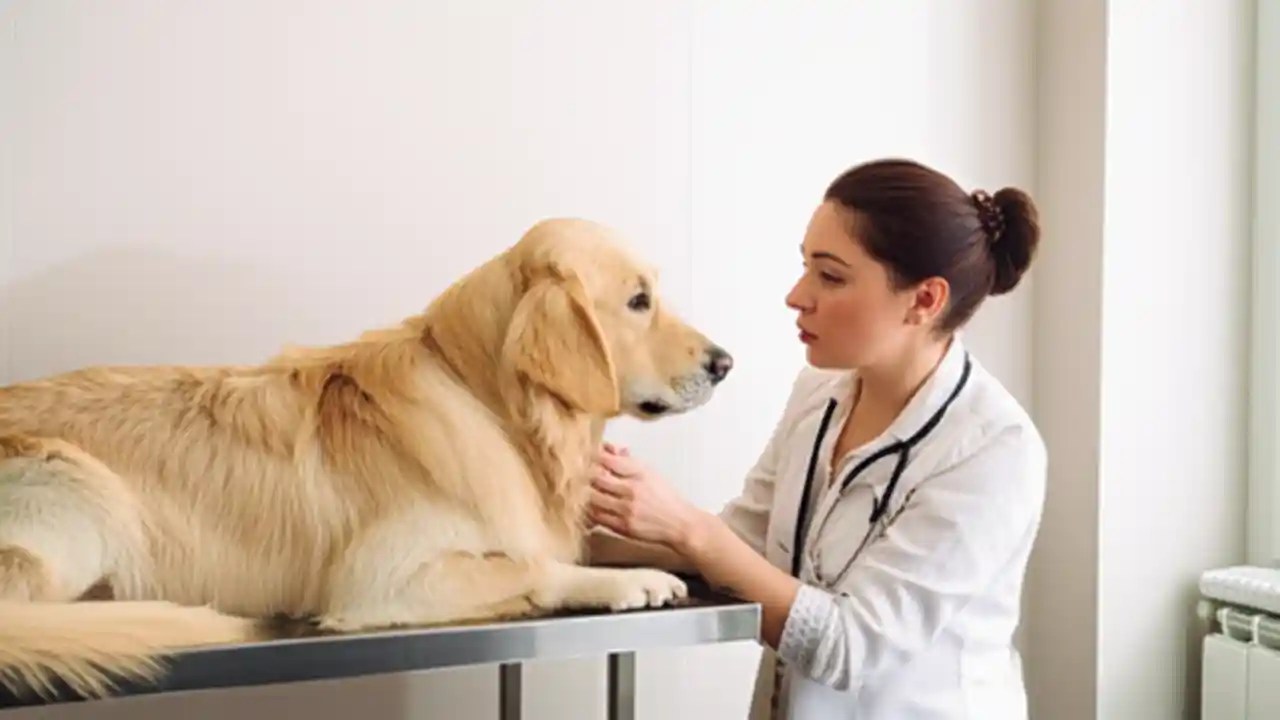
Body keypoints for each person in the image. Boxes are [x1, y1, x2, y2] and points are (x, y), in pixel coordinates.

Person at [585, 157, 1047, 719]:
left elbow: (851, 647)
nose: (797, 295)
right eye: (805, 267)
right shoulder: (818, 393)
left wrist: (686, 525)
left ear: (925, 300)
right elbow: (745, 545)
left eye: (830, 276)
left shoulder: (994, 448)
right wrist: (584, 535)